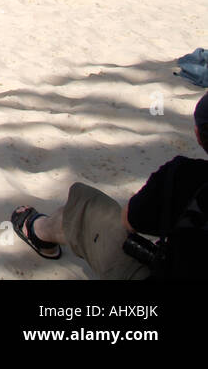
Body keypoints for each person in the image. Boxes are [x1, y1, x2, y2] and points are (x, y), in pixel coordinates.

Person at [11, 92, 208, 278]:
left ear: (198, 135)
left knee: (86, 208)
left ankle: (38, 231)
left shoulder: (184, 175)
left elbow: (130, 220)